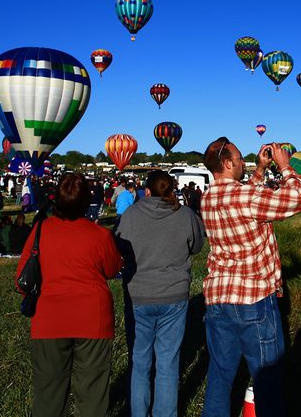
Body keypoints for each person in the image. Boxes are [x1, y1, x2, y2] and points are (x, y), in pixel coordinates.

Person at [200, 139, 301, 417]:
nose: (243, 162)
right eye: (239, 159)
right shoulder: (246, 199)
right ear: (227, 163)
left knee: (220, 378)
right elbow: (299, 198)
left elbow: (242, 198)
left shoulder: (207, 198)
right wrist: (285, 166)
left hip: (218, 300)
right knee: (267, 381)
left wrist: (260, 169)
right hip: (254, 300)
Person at [15, 174, 123, 417]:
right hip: (92, 318)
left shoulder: (41, 231)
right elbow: (113, 269)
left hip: (49, 318)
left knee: (49, 393)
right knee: (93, 393)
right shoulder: (101, 235)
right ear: (87, 201)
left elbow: (21, 278)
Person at [115, 170, 205, 417]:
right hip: (173, 294)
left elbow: (118, 246)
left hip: (139, 294)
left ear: (146, 191)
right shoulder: (184, 214)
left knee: (140, 363)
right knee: (167, 363)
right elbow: (197, 245)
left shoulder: (130, 215)